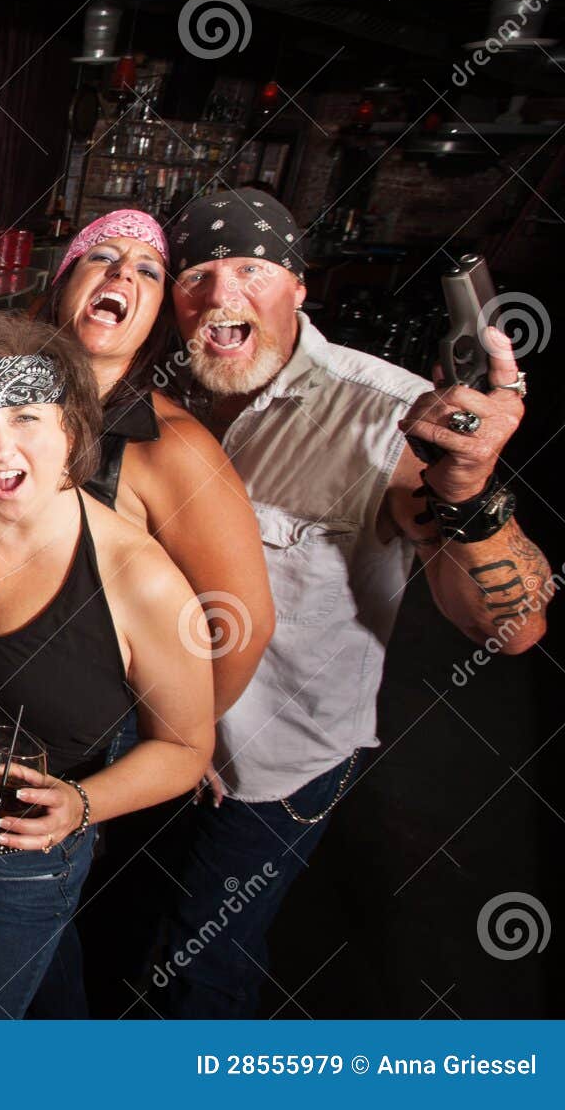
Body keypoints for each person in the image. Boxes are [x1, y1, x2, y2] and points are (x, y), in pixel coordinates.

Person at [157, 188, 551, 1017]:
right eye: (198, 272)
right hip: (158, 743)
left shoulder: (385, 415)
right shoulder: (168, 392)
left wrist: (471, 489)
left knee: (201, 966)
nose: (222, 294)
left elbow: (508, 629)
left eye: (253, 269)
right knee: (141, 927)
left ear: (300, 286)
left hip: (266, 768)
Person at [0, 313, 214, 1019]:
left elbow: (185, 745)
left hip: (15, 877)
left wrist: (83, 805)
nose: (0, 446)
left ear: (72, 432)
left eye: (26, 416)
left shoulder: (139, 579)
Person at [27, 208, 275, 1017]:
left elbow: (242, 621)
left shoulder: (172, 445)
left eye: (145, 270)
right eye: (101, 258)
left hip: (82, 753)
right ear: (64, 282)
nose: (120, 276)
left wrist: (175, 733)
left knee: (33, 939)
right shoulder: (3, 405)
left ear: (157, 310)